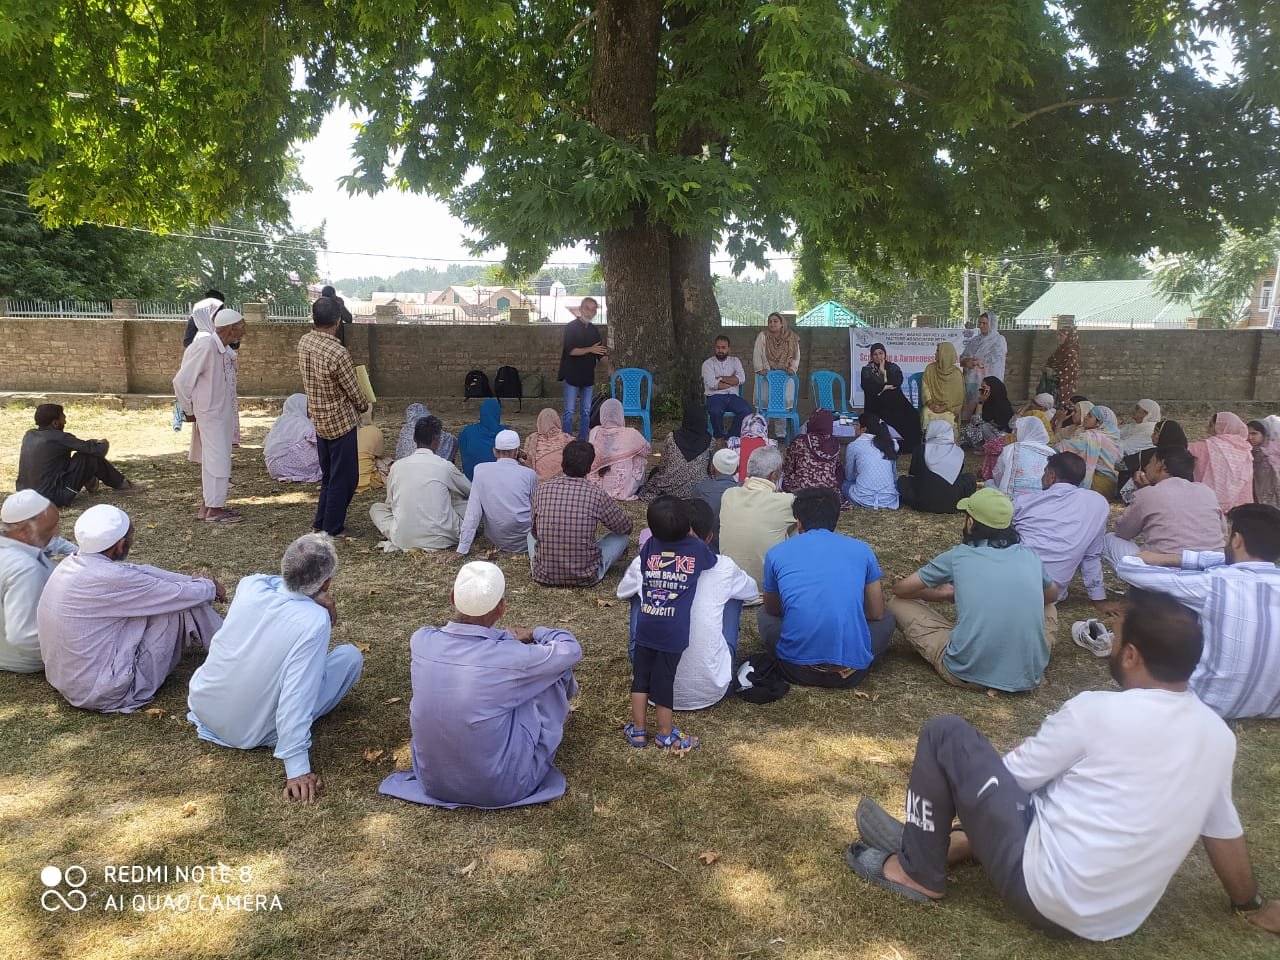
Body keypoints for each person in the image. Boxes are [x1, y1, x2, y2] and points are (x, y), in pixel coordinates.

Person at [846, 588, 1280, 943]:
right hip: (1117, 920)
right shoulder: (1218, 735)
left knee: (947, 734)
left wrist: (985, 773)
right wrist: (1250, 904)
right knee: (1051, 789)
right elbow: (1223, 832)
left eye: (1114, 634)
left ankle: (918, 870)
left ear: (1130, 655)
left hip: (1045, 894)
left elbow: (1012, 780)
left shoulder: (1096, 711)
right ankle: (954, 843)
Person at [379, 561, 583, 808]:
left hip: (433, 783)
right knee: (552, 672)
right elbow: (569, 650)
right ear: (502, 608)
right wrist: (533, 633)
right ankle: (547, 732)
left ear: (453, 597)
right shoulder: (511, 657)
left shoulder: (421, 641)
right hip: (503, 787)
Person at [187, 534, 364, 804]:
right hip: (250, 731)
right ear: (326, 583)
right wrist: (298, 770)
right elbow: (297, 694)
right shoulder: (314, 621)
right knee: (350, 656)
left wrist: (311, 599)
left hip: (204, 707)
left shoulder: (250, 585)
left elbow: (276, 582)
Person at [38, 505, 224, 713]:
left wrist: (198, 582)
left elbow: (140, 571)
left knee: (181, 596)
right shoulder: (110, 578)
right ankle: (233, 655)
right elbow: (180, 595)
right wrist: (208, 587)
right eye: (131, 536)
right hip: (106, 692)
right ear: (119, 544)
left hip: (71, 682)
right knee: (185, 605)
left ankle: (229, 647)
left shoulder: (71, 564)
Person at [1115, 503, 1280, 720]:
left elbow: (1129, 569)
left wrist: (1151, 558)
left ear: (1237, 540)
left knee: (1163, 601)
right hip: (1271, 708)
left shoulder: (1216, 584)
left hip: (1208, 704)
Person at [889, 488, 1057, 691]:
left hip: (965, 672)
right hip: (1027, 677)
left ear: (970, 523)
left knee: (897, 604)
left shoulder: (958, 556)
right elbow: (1051, 596)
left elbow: (902, 589)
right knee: (1050, 607)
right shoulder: (1030, 556)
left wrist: (940, 594)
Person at [618, 499, 756, 711]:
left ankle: (642, 660)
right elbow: (752, 591)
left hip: (650, 684)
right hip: (711, 688)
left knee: (638, 592)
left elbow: (622, 592)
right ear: (709, 537)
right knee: (735, 593)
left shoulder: (645, 560)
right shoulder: (724, 566)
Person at [758, 487, 896, 688]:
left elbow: (772, 609)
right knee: (887, 618)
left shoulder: (776, 553)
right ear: (835, 519)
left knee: (763, 614)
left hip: (795, 668)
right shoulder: (862, 549)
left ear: (798, 522)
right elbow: (876, 613)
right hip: (851, 673)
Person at [622, 497, 716, 749]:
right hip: (673, 631)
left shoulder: (651, 545)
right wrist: (693, 538)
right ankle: (665, 734)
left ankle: (639, 731)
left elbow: (643, 565)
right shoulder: (696, 549)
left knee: (640, 677)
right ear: (688, 526)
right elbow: (712, 561)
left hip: (646, 623)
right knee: (664, 680)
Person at [1012, 453, 1109, 639]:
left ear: (1051, 476)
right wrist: (1099, 599)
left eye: (1044, 473)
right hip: (1052, 593)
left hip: (1012, 581)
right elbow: (1091, 556)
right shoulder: (1098, 504)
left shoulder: (1024, 502)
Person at [298, 296, 369, 538]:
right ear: (338, 321)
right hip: (340, 422)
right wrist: (363, 404)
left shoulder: (304, 342)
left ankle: (321, 522)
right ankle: (332, 527)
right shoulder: (338, 353)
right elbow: (354, 391)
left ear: (314, 318)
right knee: (346, 478)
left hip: (318, 418)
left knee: (329, 475)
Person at [173, 298, 246, 523]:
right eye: (241, 325)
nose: (244, 330)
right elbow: (181, 381)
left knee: (217, 458)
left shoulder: (222, 349)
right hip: (210, 412)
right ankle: (214, 510)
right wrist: (188, 410)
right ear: (231, 328)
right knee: (217, 460)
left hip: (221, 412)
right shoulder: (205, 345)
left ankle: (209, 505)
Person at [529, 440, 633, 587]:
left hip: (544, 574)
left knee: (529, 535)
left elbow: (534, 532)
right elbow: (624, 528)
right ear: (589, 467)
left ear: (563, 463)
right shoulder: (596, 493)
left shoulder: (542, 490)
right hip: (586, 575)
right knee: (622, 539)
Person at [1104, 447, 1226, 567]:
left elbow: (1122, 531)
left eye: (1150, 462)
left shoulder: (1147, 494)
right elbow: (1223, 532)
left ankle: (1142, 584)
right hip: (1211, 568)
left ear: (1161, 465)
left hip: (1163, 570)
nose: (1146, 467)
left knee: (1110, 539)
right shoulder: (1207, 491)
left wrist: (1143, 492)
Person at [371, 416, 472, 551]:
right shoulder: (445, 466)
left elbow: (390, 504)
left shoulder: (397, 466)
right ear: (437, 441)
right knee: (470, 506)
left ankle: (404, 532)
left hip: (404, 537)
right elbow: (472, 492)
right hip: (443, 538)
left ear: (414, 439)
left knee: (376, 509)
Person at [0, 491, 74, 673]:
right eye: (50, 528)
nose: (56, 532)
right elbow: (22, 636)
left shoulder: (15, 543)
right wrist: (68, 652)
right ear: (25, 529)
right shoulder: (25, 569)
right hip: (22, 659)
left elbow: (55, 544)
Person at [16, 403, 144, 507]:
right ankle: (123, 485)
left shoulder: (29, 435)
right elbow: (97, 451)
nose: (65, 421)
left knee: (81, 455)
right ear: (55, 423)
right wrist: (102, 442)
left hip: (25, 496)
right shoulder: (60, 437)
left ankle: (90, 478)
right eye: (63, 417)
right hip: (53, 498)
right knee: (88, 456)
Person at [718, 445, 795, 586]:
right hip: (767, 589)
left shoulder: (728, 495)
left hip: (730, 584)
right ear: (775, 475)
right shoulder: (786, 501)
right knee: (798, 526)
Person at [457, 430, 537, 555]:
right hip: (525, 542)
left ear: (494, 451)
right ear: (517, 452)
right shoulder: (529, 474)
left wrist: (462, 549)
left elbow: (473, 512)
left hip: (497, 540)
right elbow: (536, 508)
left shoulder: (480, 470)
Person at [638, 400, 712, 501]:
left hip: (670, 488)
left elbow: (663, 465)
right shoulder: (710, 441)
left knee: (654, 474)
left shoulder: (671, 437)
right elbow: (709, 468)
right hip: (699, 490)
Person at [897, 420, 976, 514]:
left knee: (902, 480)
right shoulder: (958, 452)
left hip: (922, 502)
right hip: (952, 504)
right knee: (969, 478)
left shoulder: (921, 449)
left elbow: (913, 472)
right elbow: (957, 476)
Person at [558, 296, 605, 440]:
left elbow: (600, 353)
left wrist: (612, 367)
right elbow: (571, 350)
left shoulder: (594, 330)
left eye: (593, 309)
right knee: (569, 411)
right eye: (587, 308)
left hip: (588, 377)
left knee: (586, 411)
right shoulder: (571, 327)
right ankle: (567, 439)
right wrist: (591, 349)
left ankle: (582, 439)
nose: (590, 312)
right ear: (580, 309)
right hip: (572, 376)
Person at [861, 342, 921, 453]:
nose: (878, 357)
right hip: (876, 405)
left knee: (913, 416)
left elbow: (897, 381)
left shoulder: (893, 367)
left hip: (895, 404)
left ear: (885, 354)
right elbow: (868, 387)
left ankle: (911, 446)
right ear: (871, 356)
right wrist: (885, 387)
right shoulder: (867, 369)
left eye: (881, 353)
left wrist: (883, 373)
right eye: (875, 354)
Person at [1188, 412, 1254, 512]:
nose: (1207, 427)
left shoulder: (1208, 446)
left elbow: (1185, 449)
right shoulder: (1245, 450)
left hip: (1208, 504)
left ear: (1220, 427)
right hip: (1240, 505)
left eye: (1211, 424)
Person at [587, 397, 651, 500]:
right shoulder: (631, 433)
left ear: (602, 415)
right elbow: (647, 451)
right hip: (622, 489)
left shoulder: (594, 432)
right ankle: (626, 486)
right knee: (640, 459)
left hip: (595, 488)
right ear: (621, 414)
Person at [1055, 403, 1121, 497]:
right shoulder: (1113, 437)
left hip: (1097, 484)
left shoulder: (1091, 436)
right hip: (1111, 485)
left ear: (1098, 423)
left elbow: (1061, 447)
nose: (1085, 417)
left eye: (1090, 416)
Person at [753, 311, 800, 438]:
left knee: (782, 404)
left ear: (782, 324)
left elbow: (796, 355)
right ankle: (761, 434)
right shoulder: (763, 336)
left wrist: (792, 368)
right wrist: (760, 368)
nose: (772, 324)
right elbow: (757, 354)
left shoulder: (791, 337)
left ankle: (781, 435)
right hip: (766, 377)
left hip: (785, 377)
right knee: (765, 404)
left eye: (775, 321)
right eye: (770, 321)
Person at [989, 417, 1055, 501]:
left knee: (989, 483)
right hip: (1041, 502)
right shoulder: (1052, 453)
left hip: (1009, 503)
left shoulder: (1012, 448)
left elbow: (998, 475)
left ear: (1023, 431)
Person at [843, 413, 899, 510]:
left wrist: (860, 474)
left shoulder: (854, 445)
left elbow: (849, 475)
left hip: (862, 498)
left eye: (857, 424)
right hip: (888, 499)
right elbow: (894, 476)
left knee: (844, 483)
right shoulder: (891, 443)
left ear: (863, 429)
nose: (854, 427)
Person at [781, 409, 844, 496]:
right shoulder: (835, 444)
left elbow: (787, 468)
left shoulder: (800, 441)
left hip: (802, 490)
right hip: (829, 493)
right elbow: (837, 470)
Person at [263, 394, 323, 483]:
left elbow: (266, 442)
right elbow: (316, 440)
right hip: (290, 464)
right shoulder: (301, 421)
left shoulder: (280, 420)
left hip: (273, 467)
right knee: (319, 446)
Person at [1118, 417, 1187, 493]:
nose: (1152, 436)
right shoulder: (1186, 457)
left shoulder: (1153, 454)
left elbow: (1120, 465)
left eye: (1155, 433)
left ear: (1164, 435)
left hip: (1149, 493)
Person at [959, 311, 1007, 419]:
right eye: (980, 323)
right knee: (969, 409)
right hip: (972, 380)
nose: (981, 326)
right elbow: (963, 357)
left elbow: (995, 359)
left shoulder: (999, 340)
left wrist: (976, 362)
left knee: (987, 409)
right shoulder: (975, 340)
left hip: (988, 380)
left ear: (992, 324)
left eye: (984, 323)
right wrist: (966, 361)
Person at [702, 334, 752, 439]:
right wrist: (732, 380)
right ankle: (719, 438)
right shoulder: (707, 364)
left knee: (746, 410)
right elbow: (712, 384)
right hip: (714, 396)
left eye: (723, 347)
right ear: (714, 348)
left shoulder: (735, 361)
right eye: (718, 347)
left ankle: (731, 437)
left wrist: (719, 378)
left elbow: (741, 379)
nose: (720, 350)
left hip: (732, 396)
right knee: (715, 411)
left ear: (728, 349)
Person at [693, 448, 740, 549]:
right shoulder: (744, 490)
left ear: (712, 467)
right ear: (736, 469)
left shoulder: (701, 489)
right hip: (734, 548)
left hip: (708, 548)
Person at [458, 397, 512, 481]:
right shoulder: (506, 433)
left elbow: (463, 452)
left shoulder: (468, 432)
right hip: (501, 481)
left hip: (473, 481)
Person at [921, 341, 965, 436]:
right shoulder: (930, 369)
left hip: (950, 408)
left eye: (937, 351)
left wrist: (944, 407)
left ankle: (949, 445)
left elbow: (958, 398)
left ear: (945, 354)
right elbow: (925, 389)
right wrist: (931, 404)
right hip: (932, 405)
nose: (935, 354)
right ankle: (929, 443)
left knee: (949, 417)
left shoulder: (956, 374)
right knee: (926, 412)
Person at [960, 376, 1014, 451]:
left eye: (984, 387)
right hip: (988, 431)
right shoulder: (986, 402)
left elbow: (1001, 424)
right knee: (967, 427)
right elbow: (975, 420)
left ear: (993, 388)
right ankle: (979, 445)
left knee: (984, 426)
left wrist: (986, 420)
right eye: (981, 387)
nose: (981, 390)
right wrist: (980, 402)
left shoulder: (1002, 403)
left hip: (1000, 435)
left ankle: (989, 447)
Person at [524, 408, 573, 482]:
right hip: (564, 484)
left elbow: (527, 463)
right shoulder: (567, 439)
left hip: (539, 485)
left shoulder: (532, 439)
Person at [1037, 325, 1080, 404]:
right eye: (1058, 335)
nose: (1058, 338)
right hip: (1048, 389)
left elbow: (1065, 374)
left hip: (1059, 393)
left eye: (1061, 335)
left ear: (1069, 337)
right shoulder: (1060, 351)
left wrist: (1049, 371)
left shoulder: (1070, 353)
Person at [1249, 416, 1280, 508]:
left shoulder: (1270, 455)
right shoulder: (1246, 451)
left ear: (1264, 434)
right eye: (1248, 434)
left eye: (1254, 433)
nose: (1250, 437)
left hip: (1269, 500)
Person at [355, 416, 388, 492]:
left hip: (348, 478)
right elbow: (379, 453)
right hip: (366, 479)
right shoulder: (375, 430)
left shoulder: (352, 432)